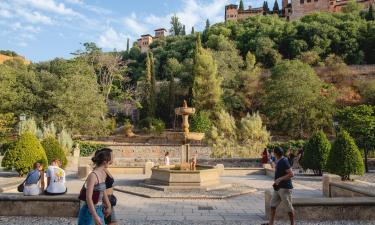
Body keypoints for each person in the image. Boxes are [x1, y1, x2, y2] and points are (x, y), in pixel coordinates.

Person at [78, 149, 112, 225]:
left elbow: (103, 191)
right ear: (105, 162)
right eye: (109, 161)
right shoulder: (93, 176)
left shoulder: (103, 173)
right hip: (89, 211)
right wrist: (95, 216)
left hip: (100, 210)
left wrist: (109, 205)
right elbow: (88, 198)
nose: (110, 162)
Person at [265, 146, 295, 225]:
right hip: (278, 187)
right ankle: (271, 223)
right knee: (272, 205)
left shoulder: (284, 161)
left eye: (273, 152)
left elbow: (291, 174)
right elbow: (275, 168)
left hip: (285, 188)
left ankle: (292, 224)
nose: (272, 153)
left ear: (276, 153)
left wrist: (280, 179)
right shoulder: (278, 160)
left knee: (289, 208)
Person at [101, 149, 118, 225]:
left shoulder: (105, 169)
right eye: (112, 155)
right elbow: (101, 188)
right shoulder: (101, 171)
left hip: (109, 200)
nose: (113, 157)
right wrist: (107, 204)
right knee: (112, 223)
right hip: (106, 201)